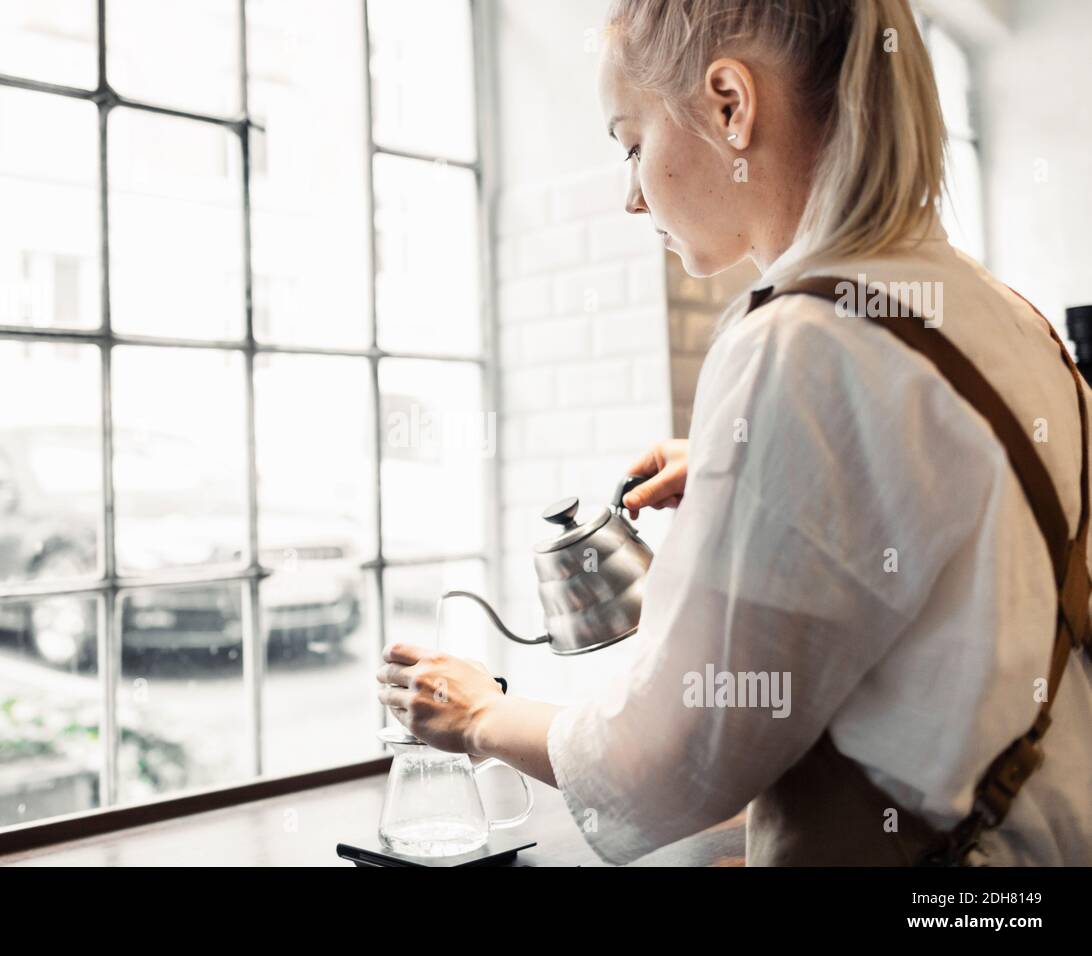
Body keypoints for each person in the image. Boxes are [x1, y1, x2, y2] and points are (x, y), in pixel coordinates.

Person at [375, 0, 1092, 866]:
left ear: (728, 104)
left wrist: (477, 714)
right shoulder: (1006, 315)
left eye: (632, 142)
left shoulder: (800, 341)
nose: (633, 196)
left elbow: (667, 760)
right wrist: (747, 473)